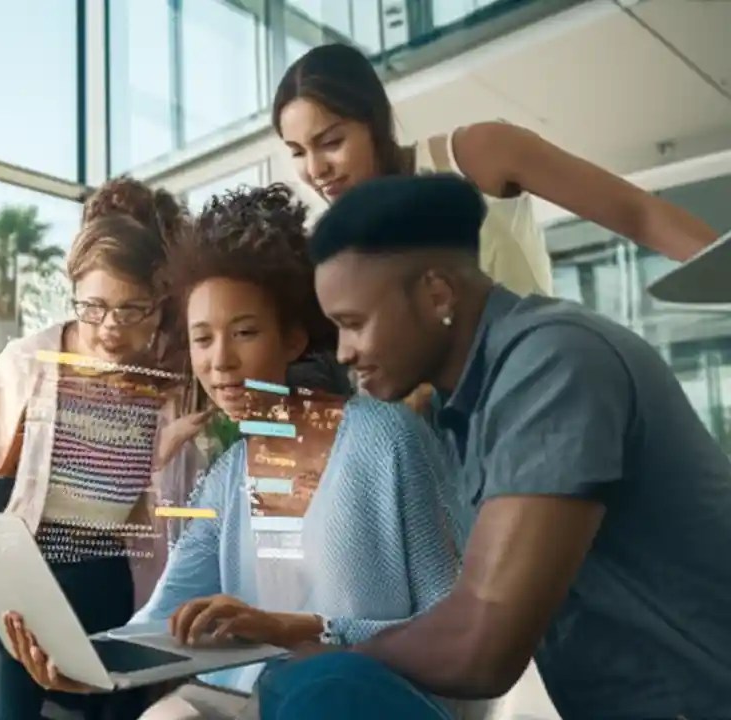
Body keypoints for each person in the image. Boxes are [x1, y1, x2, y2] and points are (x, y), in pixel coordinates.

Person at [4, 184, 485, 719]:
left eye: (245, 332)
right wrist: (87, 665)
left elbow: (457, 625)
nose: (220, 362)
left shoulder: (388, 440)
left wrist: (298, 629)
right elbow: (164, 617)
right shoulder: (228, 478)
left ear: (294, 338)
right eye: (202, 339)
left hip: (361, 696)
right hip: (245, 702)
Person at [261, 173, 731, 719]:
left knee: (317, 689)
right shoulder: (463, 404)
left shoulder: (555, 364)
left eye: (353, 324)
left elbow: (481, 644)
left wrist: (336, 658)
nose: (343, 352)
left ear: (437, 293)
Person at [0, 177, 209, 719]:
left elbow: (175, 519)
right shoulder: (29, 361)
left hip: (108, 599)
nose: (110, 327)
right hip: (15, 593)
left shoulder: (174, 384)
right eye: (93, 307)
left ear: (158, 301)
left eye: (131, 309)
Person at [274, 43, 720, 296]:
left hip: (551, 399)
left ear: (373, 121)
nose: (316, 169)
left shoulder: (475, 154)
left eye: (331, 142)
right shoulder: (343, 249)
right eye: (297, 152)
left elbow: (634, 212)